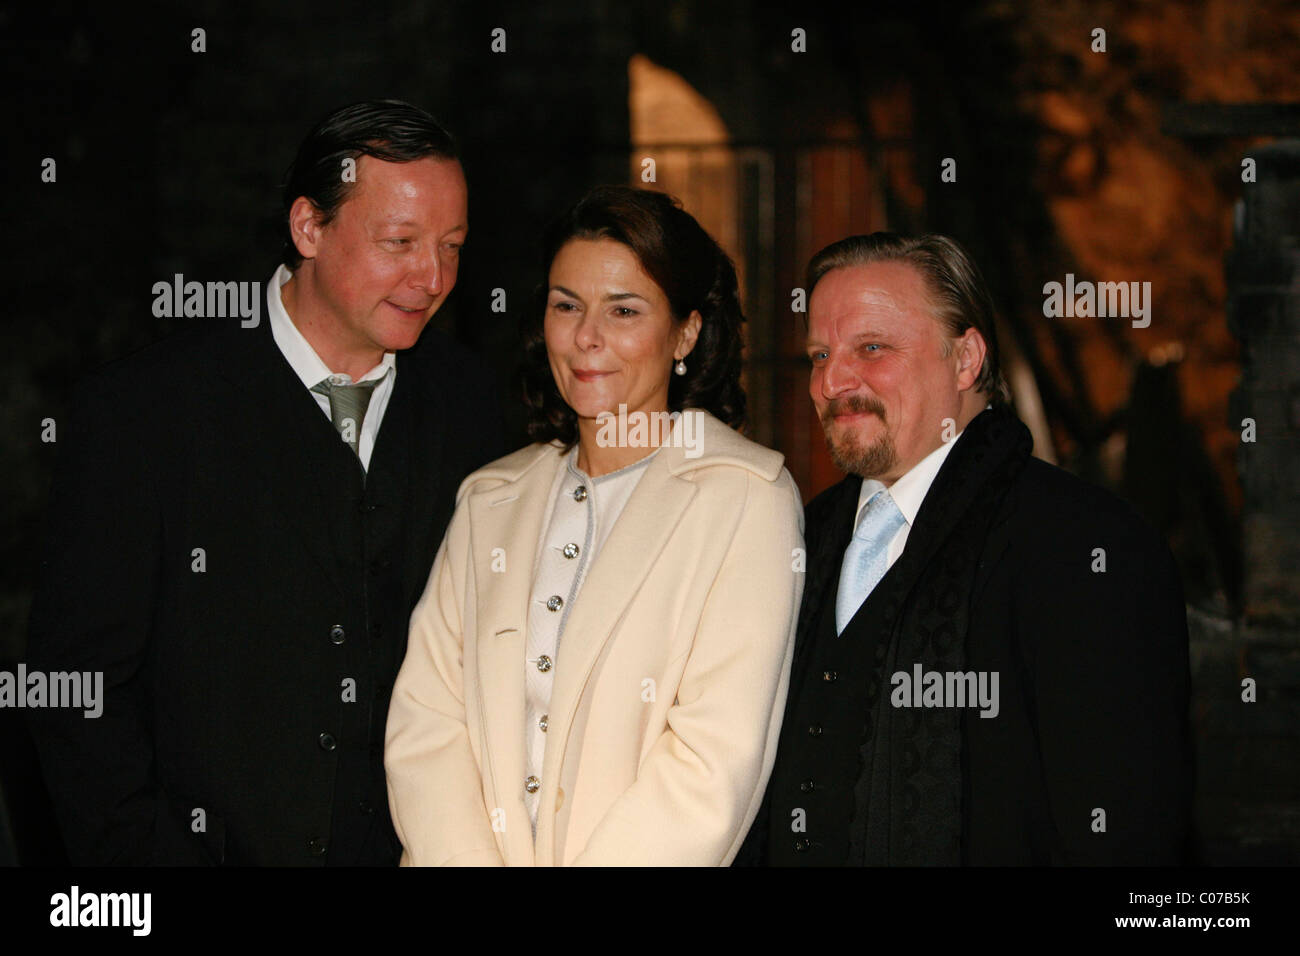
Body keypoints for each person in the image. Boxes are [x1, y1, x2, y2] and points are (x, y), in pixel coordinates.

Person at [26, 100, 503, 865]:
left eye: (452, 246)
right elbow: (77, 688)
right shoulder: (144, 412)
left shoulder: (479, 407)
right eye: (400, 243)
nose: (433, 277)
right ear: (309, 226)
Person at [737, 232, 1192, 865]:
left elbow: (1126, 836)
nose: (831, 381)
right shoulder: (797, 536)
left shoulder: (1088, 547)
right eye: (819, 354)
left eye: (871, 347)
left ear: (965, 358)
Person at [385, 185, 804, 866]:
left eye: (624, 310)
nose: (587, 337)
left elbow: (710, 766)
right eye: (566, 306)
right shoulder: (489, 499)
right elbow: (427, 726)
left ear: (687, 332)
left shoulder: (746, 500)